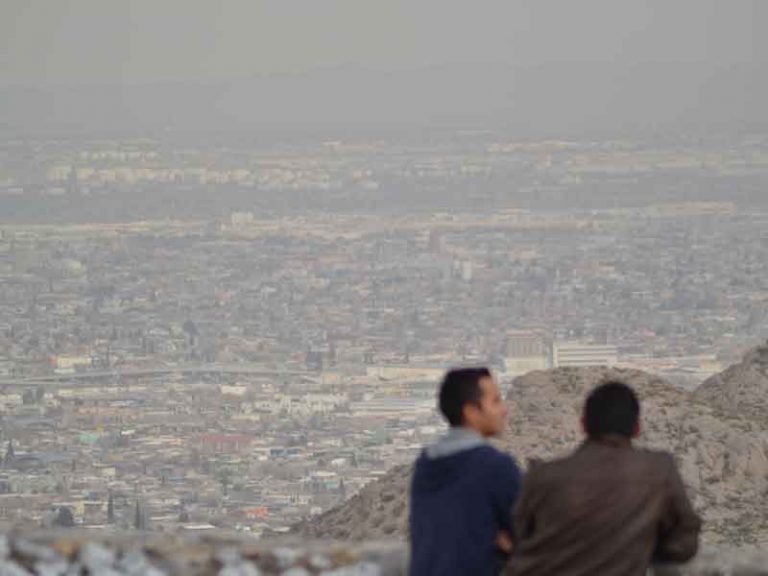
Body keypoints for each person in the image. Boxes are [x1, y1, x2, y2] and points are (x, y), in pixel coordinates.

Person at [508, 381, 701, 576]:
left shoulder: (541, 475)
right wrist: (641, 542)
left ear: (583, 424)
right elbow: (684, 545)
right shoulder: (658, 470)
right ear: (637, 428)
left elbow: (517, 538)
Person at [410, 367, 522, 576]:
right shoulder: (494, 466)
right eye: (496, 401)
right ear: (471, 412)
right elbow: (529, 538)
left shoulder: (426, 464)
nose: (504, 409)